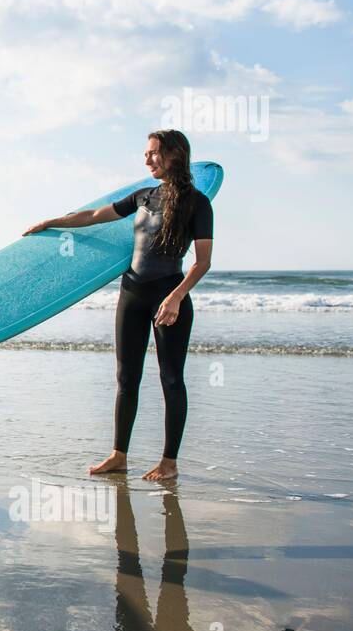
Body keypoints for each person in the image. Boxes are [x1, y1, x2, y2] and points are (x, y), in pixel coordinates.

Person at [23, 130, 213, 481]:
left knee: (171, 379)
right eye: (146, 153)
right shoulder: (143, 197)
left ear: (174, 155)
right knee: (126, 377)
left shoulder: (198, 203)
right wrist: (52, 221)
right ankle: (119, 455)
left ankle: (169, 462)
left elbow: (202, 262)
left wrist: (176, 297)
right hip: (133, 292)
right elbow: (95, 216)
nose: (147, 160)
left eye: (154, 153)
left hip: (169, 294)